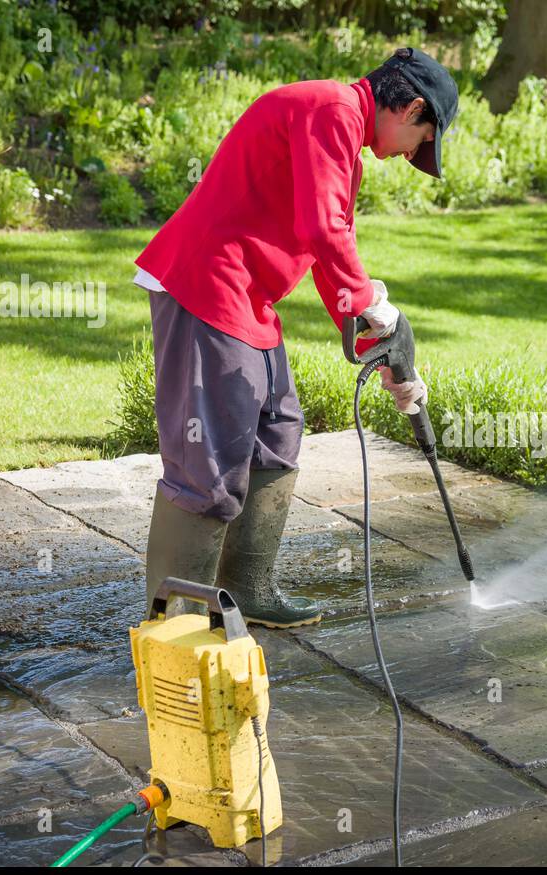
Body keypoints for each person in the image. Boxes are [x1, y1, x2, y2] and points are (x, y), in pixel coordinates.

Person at [132, 47, 459, 627]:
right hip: (205, 284)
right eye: (421, 138)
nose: (412, 154)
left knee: (276, 428)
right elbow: (324, 230)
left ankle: (246, 593)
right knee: (208, 455)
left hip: (246, 297)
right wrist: (374, 306)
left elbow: (328, 254)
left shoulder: (342, 134)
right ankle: (175, 625)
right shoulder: (330, 110)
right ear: (409, 107)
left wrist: (377, 349)